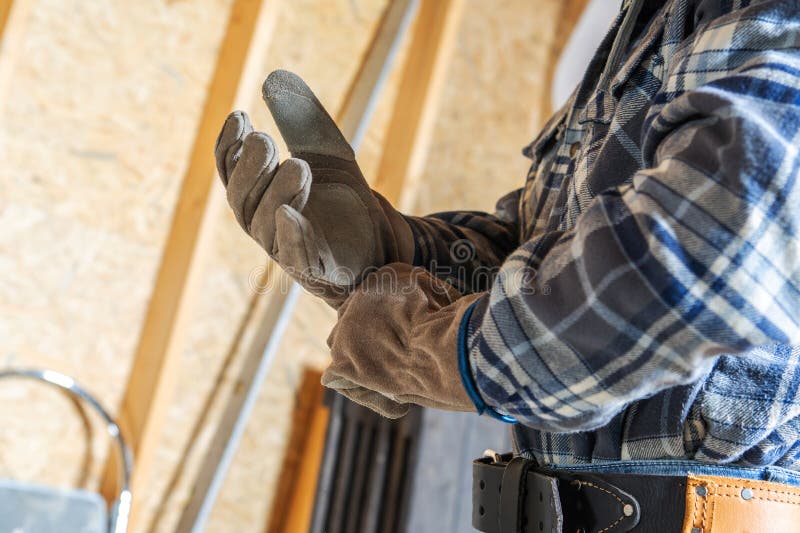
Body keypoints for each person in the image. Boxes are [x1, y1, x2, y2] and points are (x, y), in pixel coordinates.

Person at [215, 0, 800, 530]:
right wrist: (394, 253)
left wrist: (438, 348)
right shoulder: (639, 28)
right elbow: (541, 253)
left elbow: (712, 244)